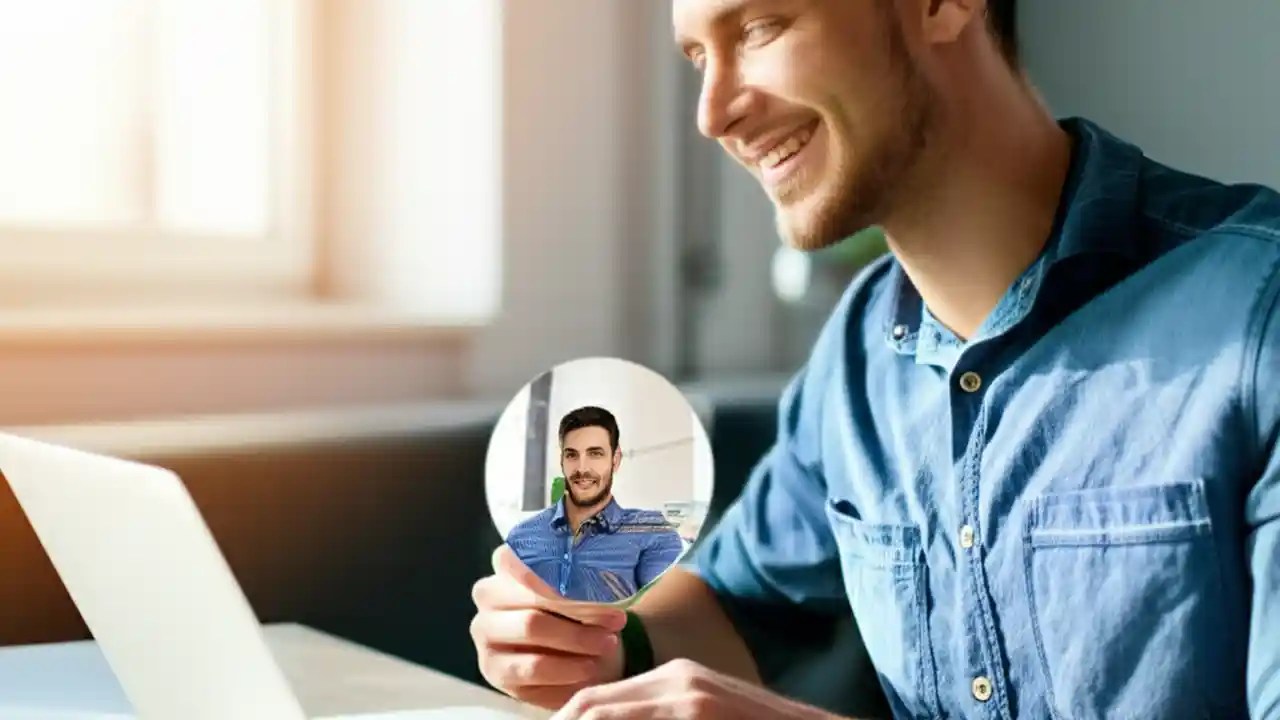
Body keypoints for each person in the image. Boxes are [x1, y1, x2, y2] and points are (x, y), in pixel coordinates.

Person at [471, 0, 1280, 717]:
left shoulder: (1258, 316)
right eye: (696, 58)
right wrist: (597, 644)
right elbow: (735, 606)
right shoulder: (860, 353)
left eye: (759, 27)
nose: (711, 115)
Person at [503, 406, 684, 603]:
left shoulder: (651, 530)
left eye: (595, 454)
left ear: (615, 460)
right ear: (562, 460)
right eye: (572, 455)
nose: (582, 469)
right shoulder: (521, 536)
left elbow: (665, 615)